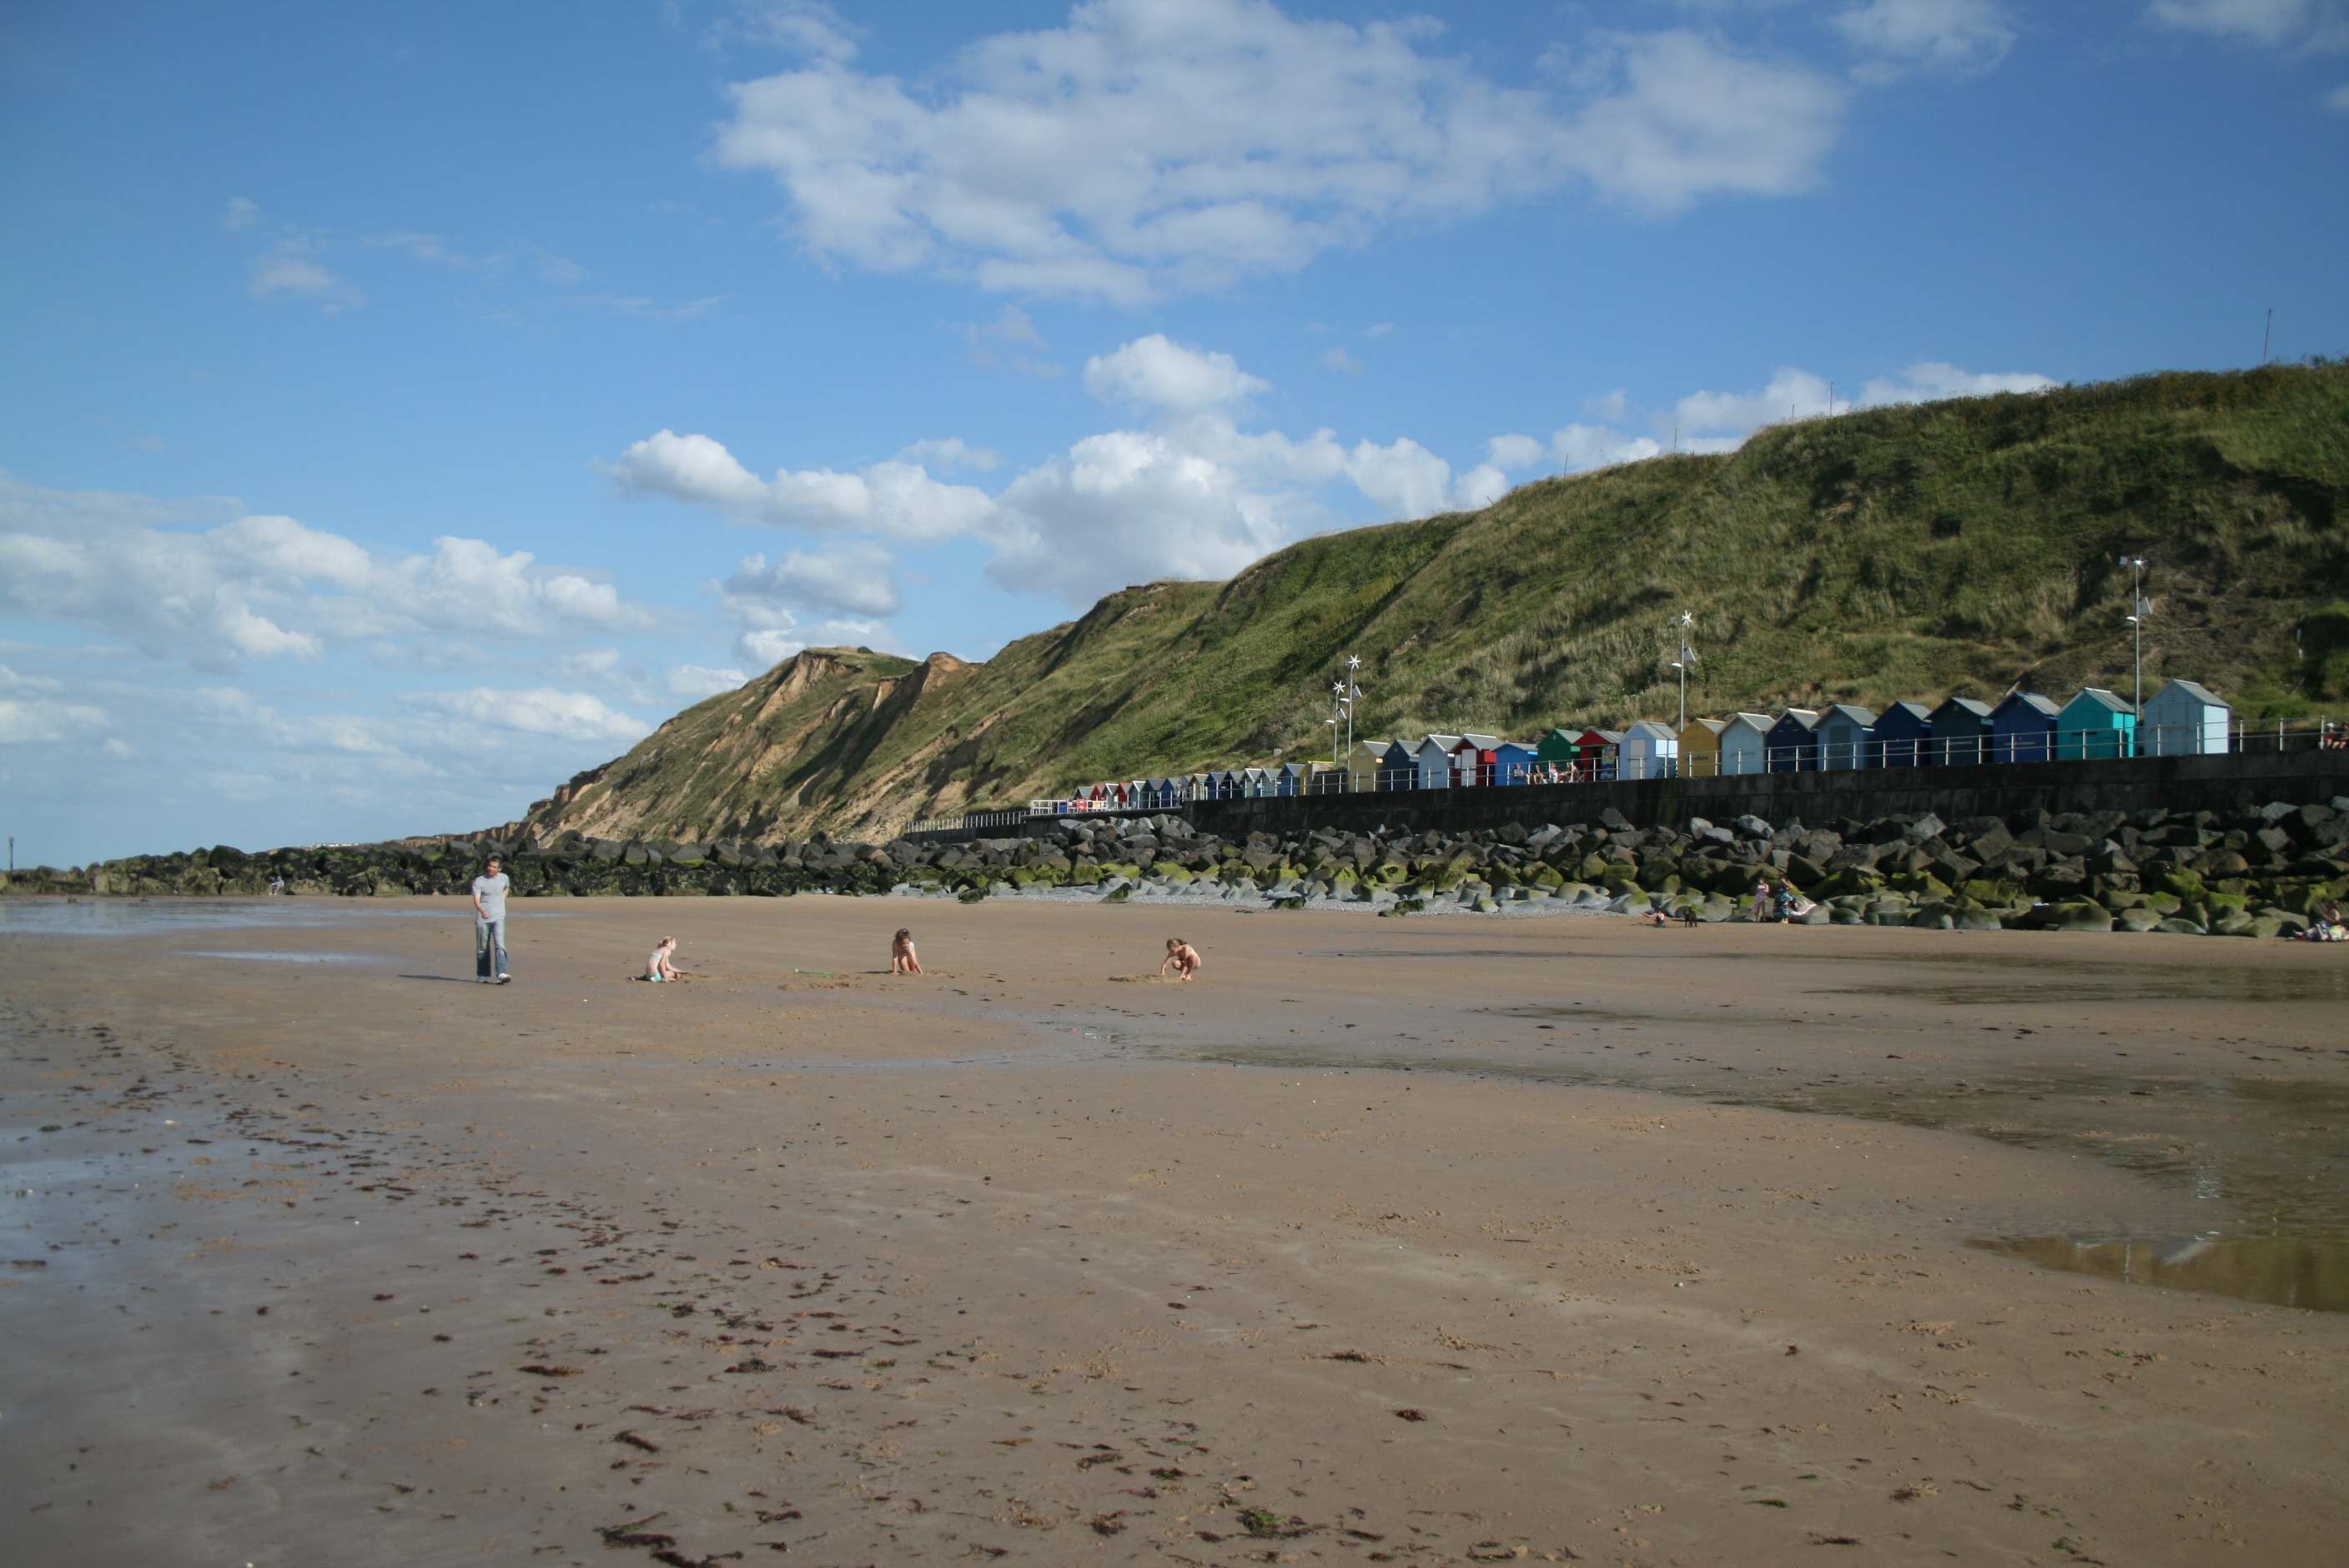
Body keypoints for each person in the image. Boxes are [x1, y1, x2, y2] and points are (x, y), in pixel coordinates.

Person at [471, 855, 511, 984]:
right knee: (483, 947)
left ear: (499, 869)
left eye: (494, 867)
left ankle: (501, 973)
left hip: (499, 916)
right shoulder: (479, 881)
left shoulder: (504, 878)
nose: (491, 868)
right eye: (490, 866)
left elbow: (506, 888)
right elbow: (477, 900)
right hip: (483, 918)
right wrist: (483, 911)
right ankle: (483, 975)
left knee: (500, 945)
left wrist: (502, 900)